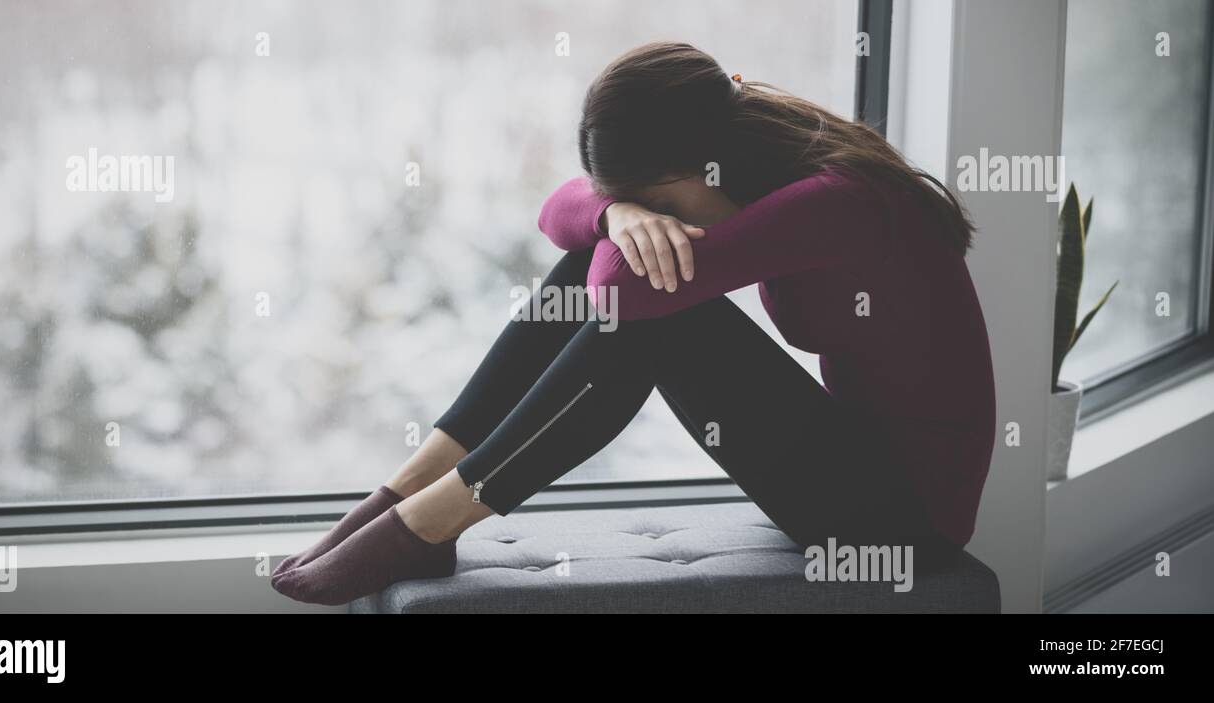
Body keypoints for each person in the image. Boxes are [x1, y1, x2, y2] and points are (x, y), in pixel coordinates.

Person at [271, 41, 996, 606]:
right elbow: (559, 215)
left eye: (663, 205)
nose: (664, 224)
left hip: (901, 525)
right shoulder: (761, 159)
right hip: (847, 469)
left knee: (656, 312)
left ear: (697, 170)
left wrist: (618, 232)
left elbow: (621, 293)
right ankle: (410, 488)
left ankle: (431, 522)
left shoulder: (833, 202)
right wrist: (617, 212)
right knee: (602, 271)